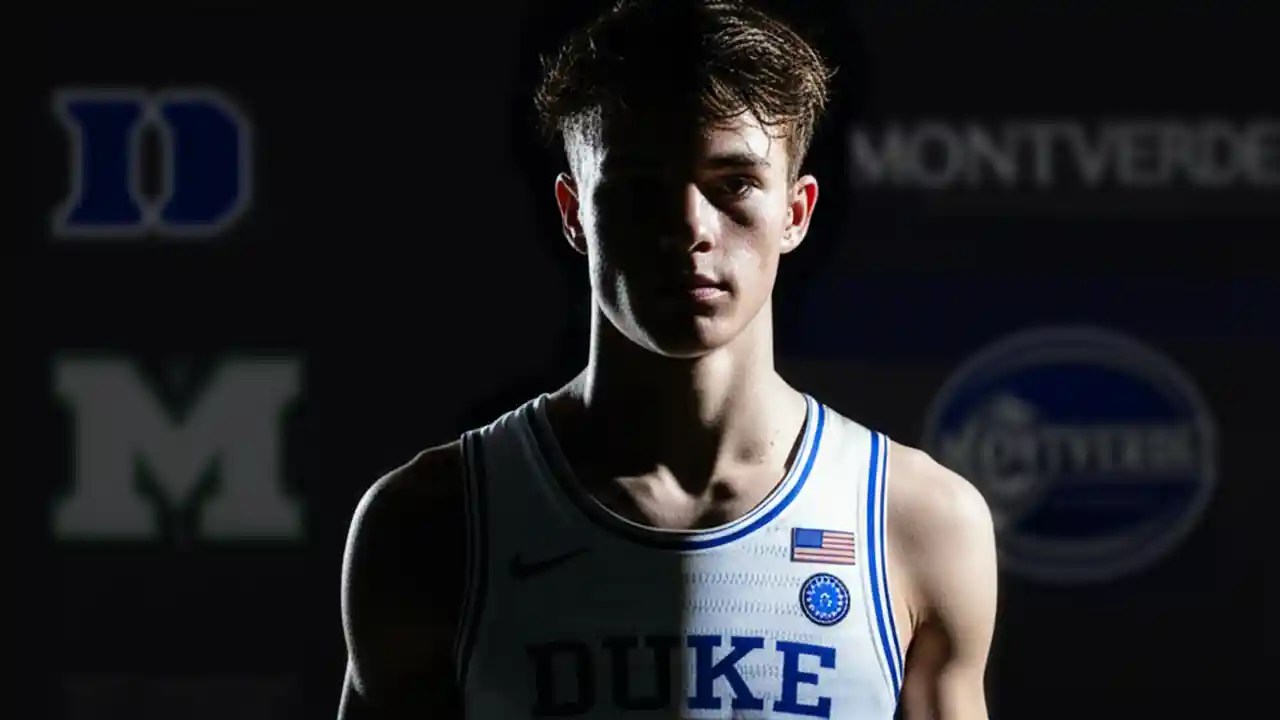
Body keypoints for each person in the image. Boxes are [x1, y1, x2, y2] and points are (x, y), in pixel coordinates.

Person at [338, 1, 998, 717]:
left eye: (735, 184)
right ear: (573, 213)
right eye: (640, 186)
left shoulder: (916, 523)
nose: (690, 227)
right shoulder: (436, 523)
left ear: (796, 212)